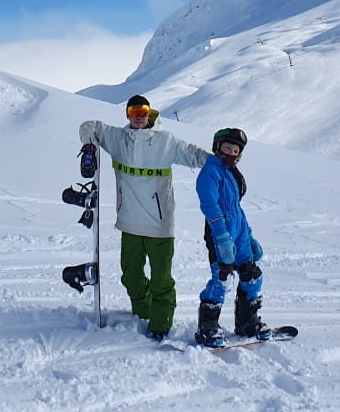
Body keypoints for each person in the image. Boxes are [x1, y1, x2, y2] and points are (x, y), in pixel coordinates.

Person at [79, 95, 210, 341]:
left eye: (144, 111)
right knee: (130, 276)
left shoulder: (165, 140)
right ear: (128, 114)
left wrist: (218, 163)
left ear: (150, 114)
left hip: (159, 224)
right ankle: (144, 313)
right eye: (134, 111)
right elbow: (89, 126)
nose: (139, 116)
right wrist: (88, 145)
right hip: (129, 221)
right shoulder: (117, 138)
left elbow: (192, 154)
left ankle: (161, 324)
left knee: (161, 279)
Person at [194, 127, 270, 346]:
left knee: (252, 274)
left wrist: (250, 237)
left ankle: (247, 321)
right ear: (218, 148)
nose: (231, 153)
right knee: (223, 277)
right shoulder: (211, 171)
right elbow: (210, 206)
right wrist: (222, 238)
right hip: (220, 234)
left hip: (240, 234)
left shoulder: (233, 174)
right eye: (227, 148)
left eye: (235, 150)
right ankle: (208, 325)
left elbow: (237, 209)